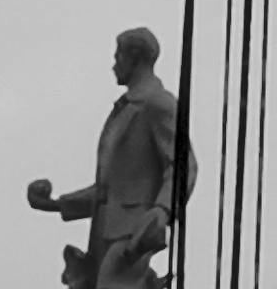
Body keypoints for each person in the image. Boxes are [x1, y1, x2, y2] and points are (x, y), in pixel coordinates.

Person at [27, 28, 190, 289]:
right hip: (105, 231)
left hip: (134, 231)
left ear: (134, 58)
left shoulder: (157, 103)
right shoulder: (125, 110)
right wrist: (57, 205)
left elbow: (183, 166)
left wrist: (162, 210)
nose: (114, 65)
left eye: (118, 57)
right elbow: (110, 190)